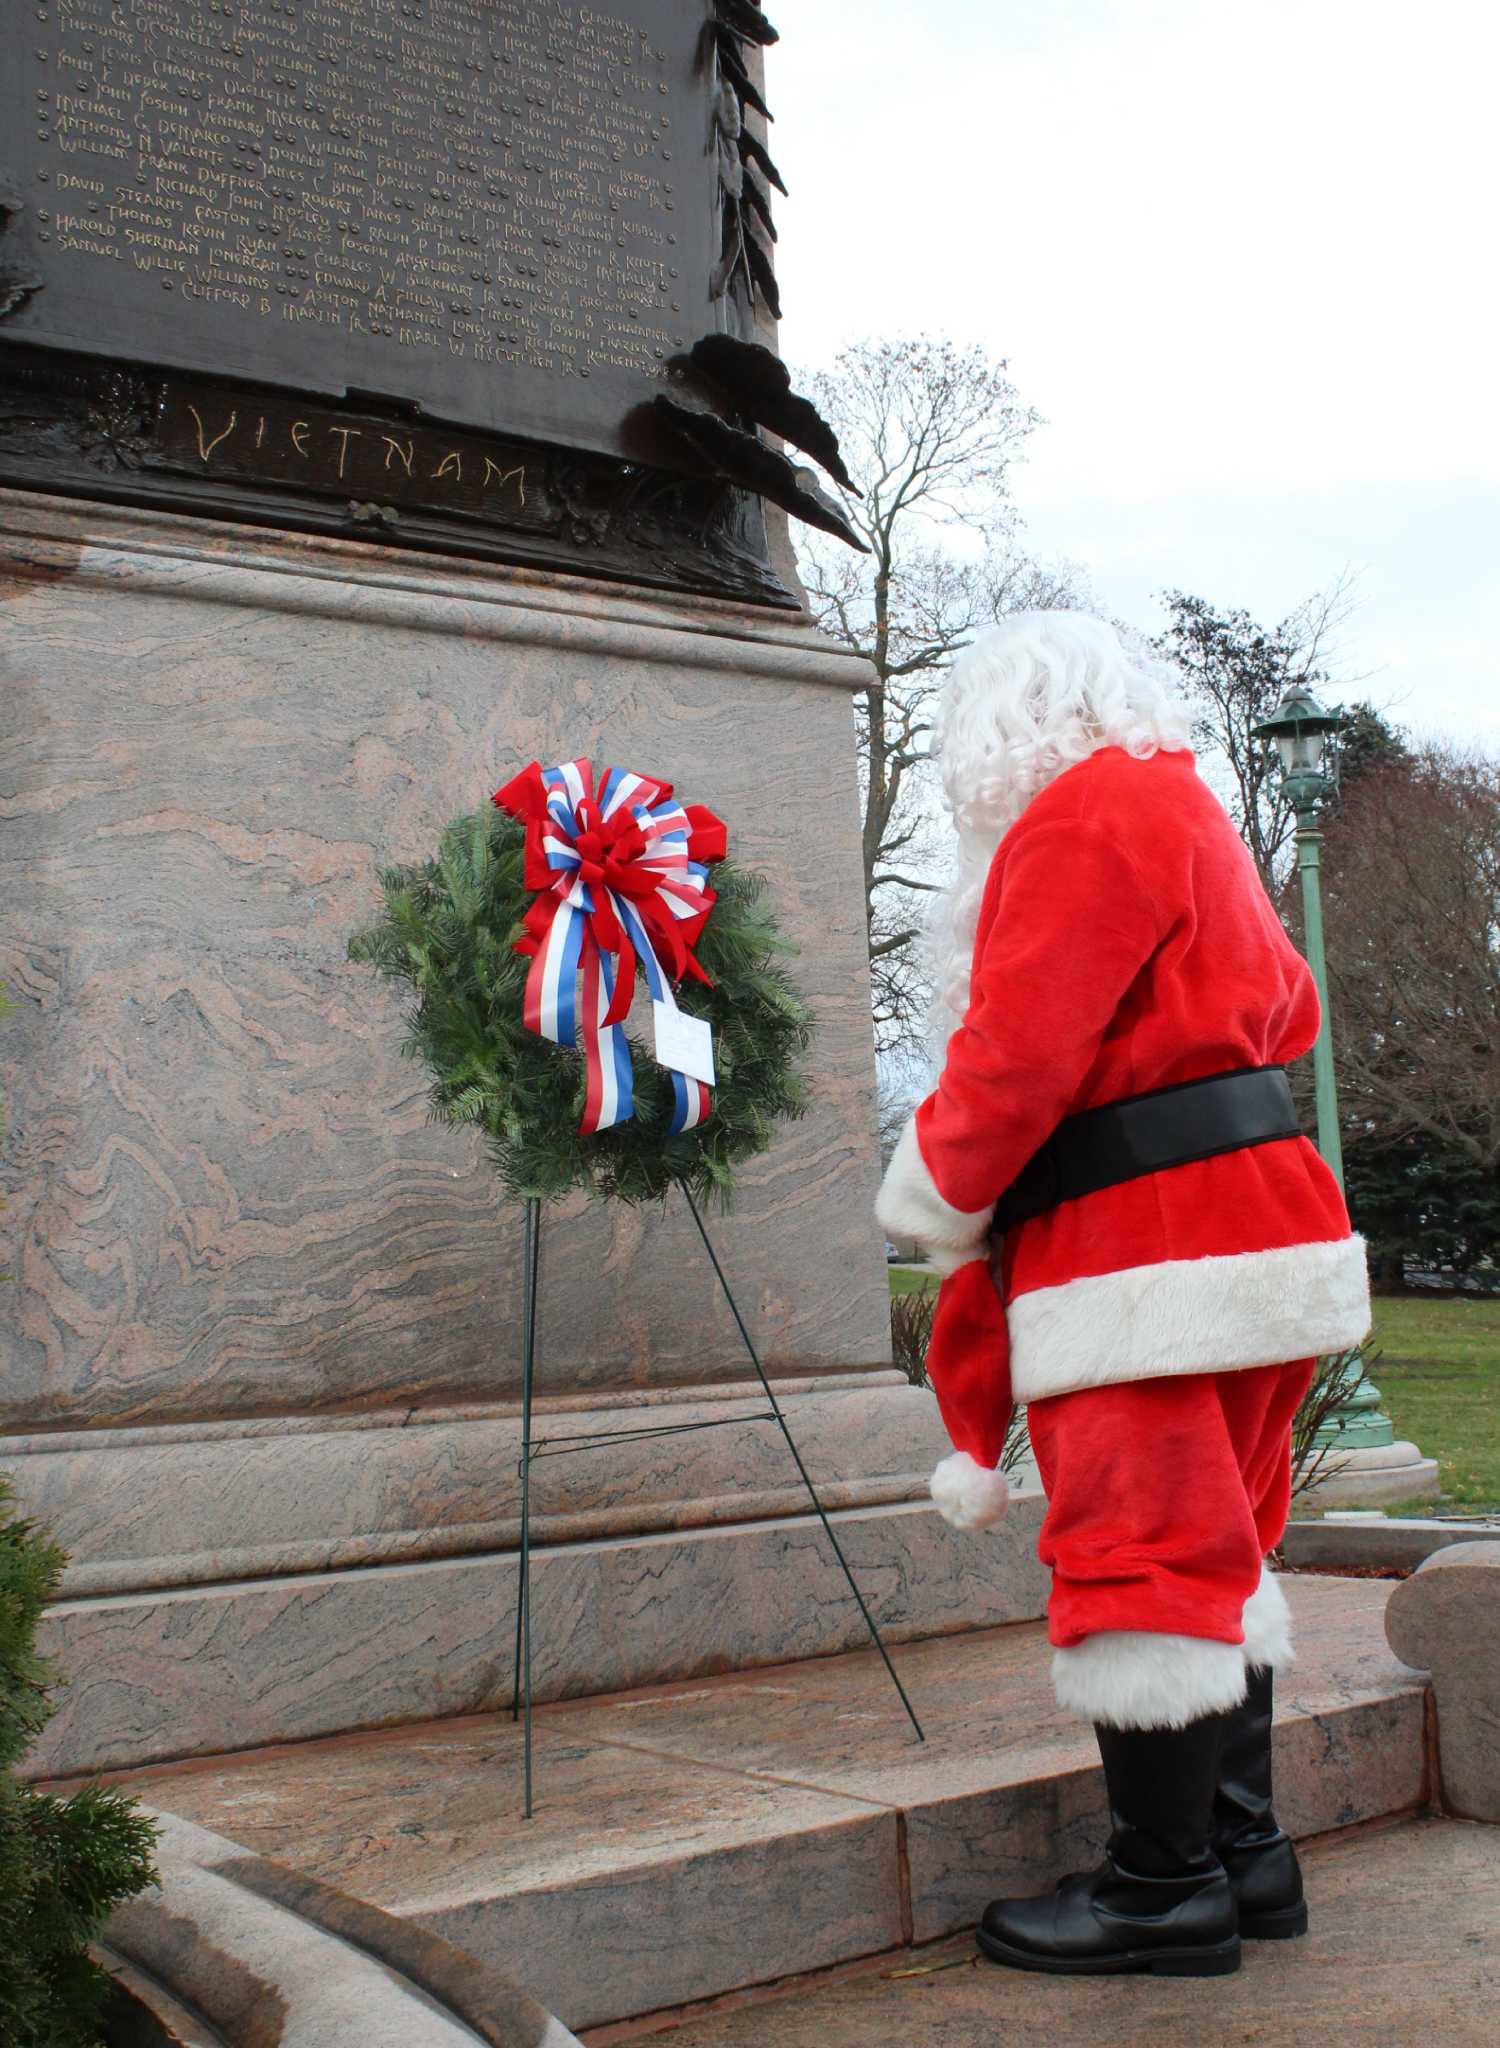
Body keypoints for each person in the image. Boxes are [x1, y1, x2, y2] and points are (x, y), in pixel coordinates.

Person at [876, 611, 1369, 1979]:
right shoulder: (1183, 804)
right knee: (1225, 1536)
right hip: (1261, 1222)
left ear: (997, 727)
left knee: (1144, 1556)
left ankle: (1163, 1890)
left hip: (1143, 1246)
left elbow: (1019, 1051)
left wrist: (927, 1190)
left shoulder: (1083, 815)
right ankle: (1243, 1855)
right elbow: (1292, 1006)